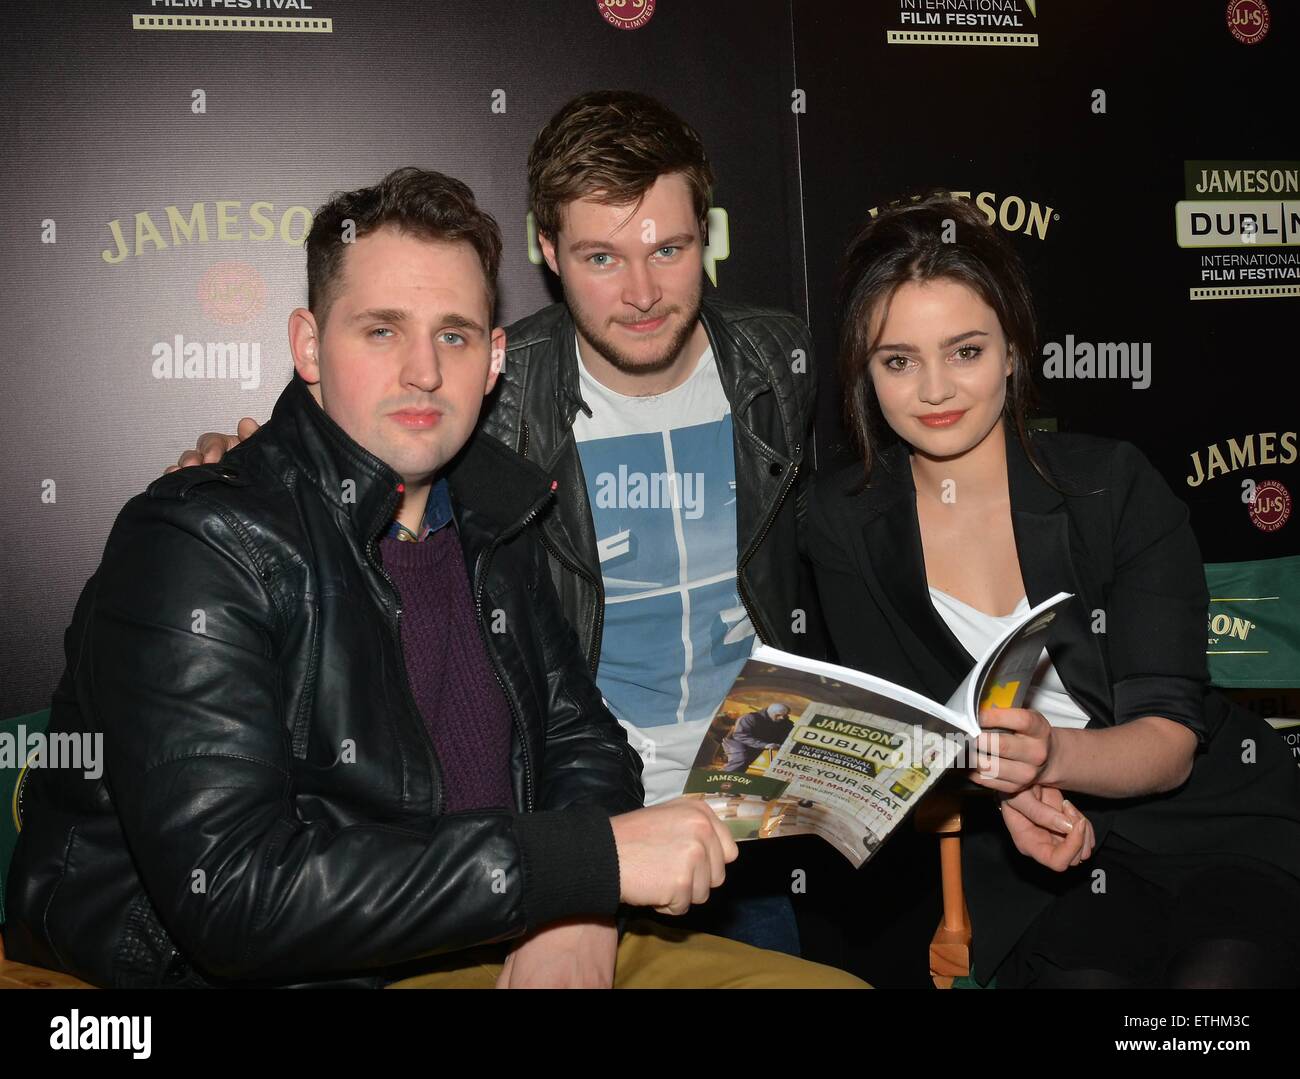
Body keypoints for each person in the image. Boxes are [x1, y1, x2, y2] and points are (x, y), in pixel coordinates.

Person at [4, 167, 865, 990]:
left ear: (493, 359)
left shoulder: (502, 511)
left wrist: (576, 911)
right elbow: (234, 894)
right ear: (309, 345)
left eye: (453, 335)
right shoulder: (200, 540)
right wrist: (578, 868)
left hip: (511, 923)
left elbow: (584, 741)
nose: (423, 370)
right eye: (381, 330)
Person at [166, 91, 824, 955]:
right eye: (600, 256)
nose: (641, 293)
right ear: (548, 251)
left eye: (669, 249)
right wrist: (234, 464)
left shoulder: (778, 363)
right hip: (551, 844)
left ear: (708, 236)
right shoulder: (497, 418)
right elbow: (344, 434)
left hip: (732, 826)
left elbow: (827, 555)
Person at [805, 192, 1300, 988]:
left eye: (965, 351)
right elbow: (913, 737)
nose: (934, 389)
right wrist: (1012, 794)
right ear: (866, 374)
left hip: (1211, 825)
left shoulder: (1110, 486)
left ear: (1011, 351)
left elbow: (1170, 744)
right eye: (898, 361)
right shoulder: (844, 523)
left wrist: (1050, 757)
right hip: (1036, 861)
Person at [721, 703, 794, 773]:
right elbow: (740, 735)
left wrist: (781, 745)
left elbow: (788, 736)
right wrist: (764, 745)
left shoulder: (785, 723)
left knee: (745, 763)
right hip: (736, 741)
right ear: (770, 712)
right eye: (778, 715)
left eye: (785, 715)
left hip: (758, 745)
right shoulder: (749, 718)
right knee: (740, 759)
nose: (782, 718)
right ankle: (724, 776)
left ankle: (735, 778)